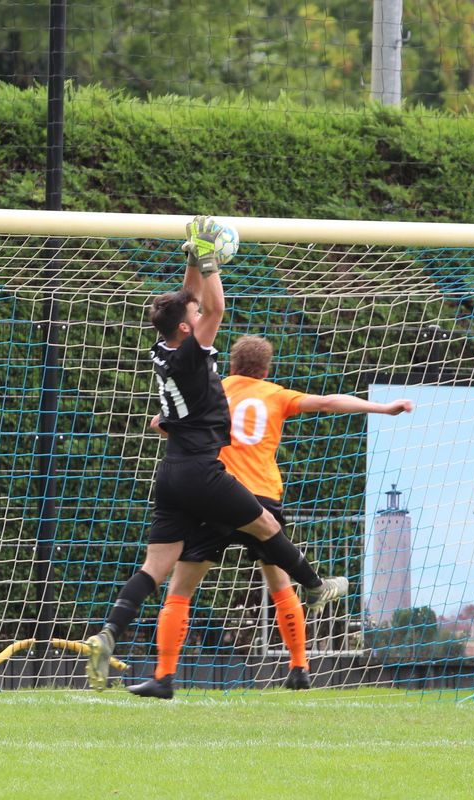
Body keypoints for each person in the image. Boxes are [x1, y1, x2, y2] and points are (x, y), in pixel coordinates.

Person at [84, 217, 349, 691]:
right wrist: (209, 259)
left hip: (170, 476)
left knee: (156, 568)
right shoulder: (190, 355)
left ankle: (109, 633)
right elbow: (217, 306)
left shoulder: (164, 349)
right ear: (188, 327)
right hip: (203, 472)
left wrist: (192, 254)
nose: (199, 311)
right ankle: (315, 587)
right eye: (194, 316)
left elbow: (191, 302)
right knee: (268, 528)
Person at [128, 335, 414, 698]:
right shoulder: (276, 394)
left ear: (231, 365)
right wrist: (384, 408)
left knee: (181, 589)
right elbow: (327, 402)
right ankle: (299, 667)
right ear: (265, 369)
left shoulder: (212, 389)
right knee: (279, 583)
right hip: (262, 497)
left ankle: (164, 676)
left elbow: (160, 423)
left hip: (216, 494)